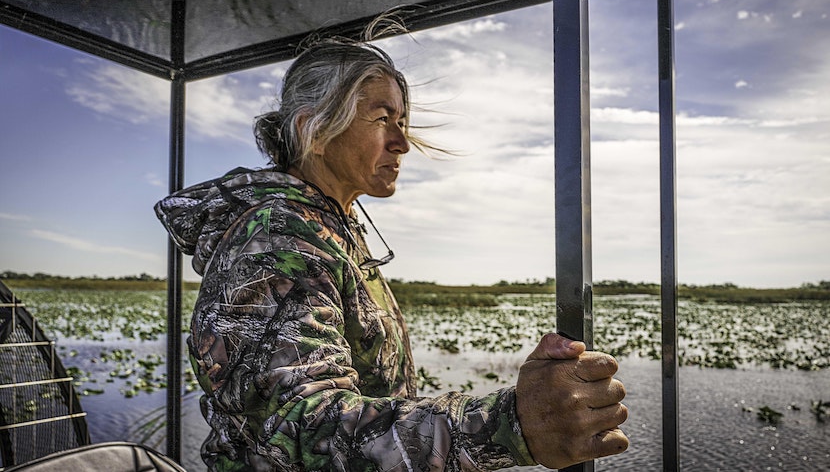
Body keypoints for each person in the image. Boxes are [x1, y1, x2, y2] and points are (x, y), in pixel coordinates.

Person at [155, 27, 628, 471]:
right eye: (383, 119)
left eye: (401, 121)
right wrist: (513, 423)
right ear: (313, 130)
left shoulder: (327, 227)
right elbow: (303, 430)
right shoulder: (278, 240)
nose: (402, 142)